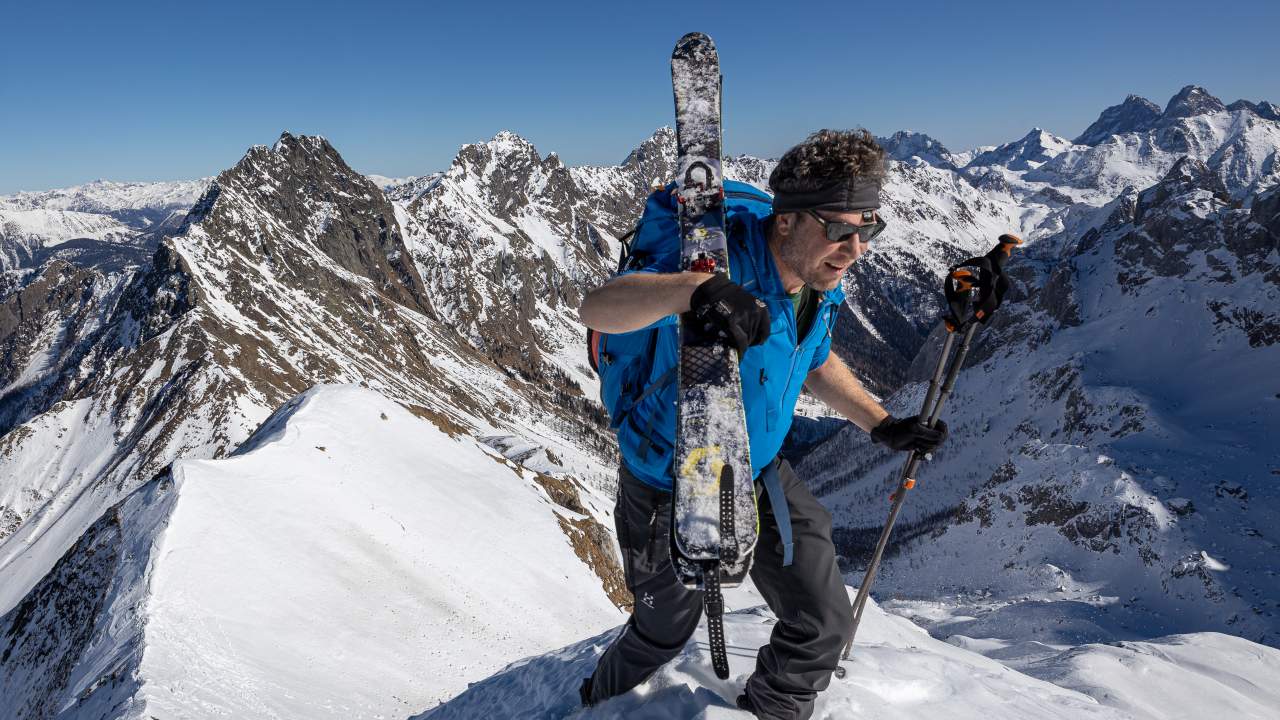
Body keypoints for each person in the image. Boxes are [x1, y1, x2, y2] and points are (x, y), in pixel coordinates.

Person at [577, 129, 948, 720]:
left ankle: (768, 712)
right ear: (786, 222)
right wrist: (696, 293)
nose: (855, 248)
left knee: (823, 623)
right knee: (664, 630)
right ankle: (590, 704)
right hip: (667, 482)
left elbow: (814, 357)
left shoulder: (819, 280)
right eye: (837, 228)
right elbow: (599, 307)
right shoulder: (708, 259)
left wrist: (881, 425)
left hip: (758, 467)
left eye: (867, 229)